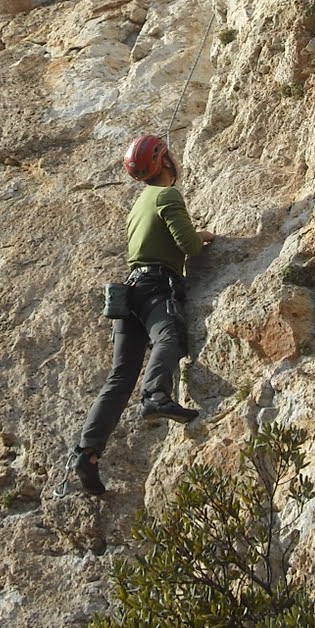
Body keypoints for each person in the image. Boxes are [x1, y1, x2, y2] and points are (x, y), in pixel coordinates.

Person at [68, 133, 214, 496]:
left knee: (120, 376)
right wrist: (206, 235)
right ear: (164, 162)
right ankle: (155, 396)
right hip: (155, 286)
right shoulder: (166, 195)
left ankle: (88, 452)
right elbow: (189, 245)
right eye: (169, 155)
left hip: (128, 293)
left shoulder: (137, 205)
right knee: (170, 336)